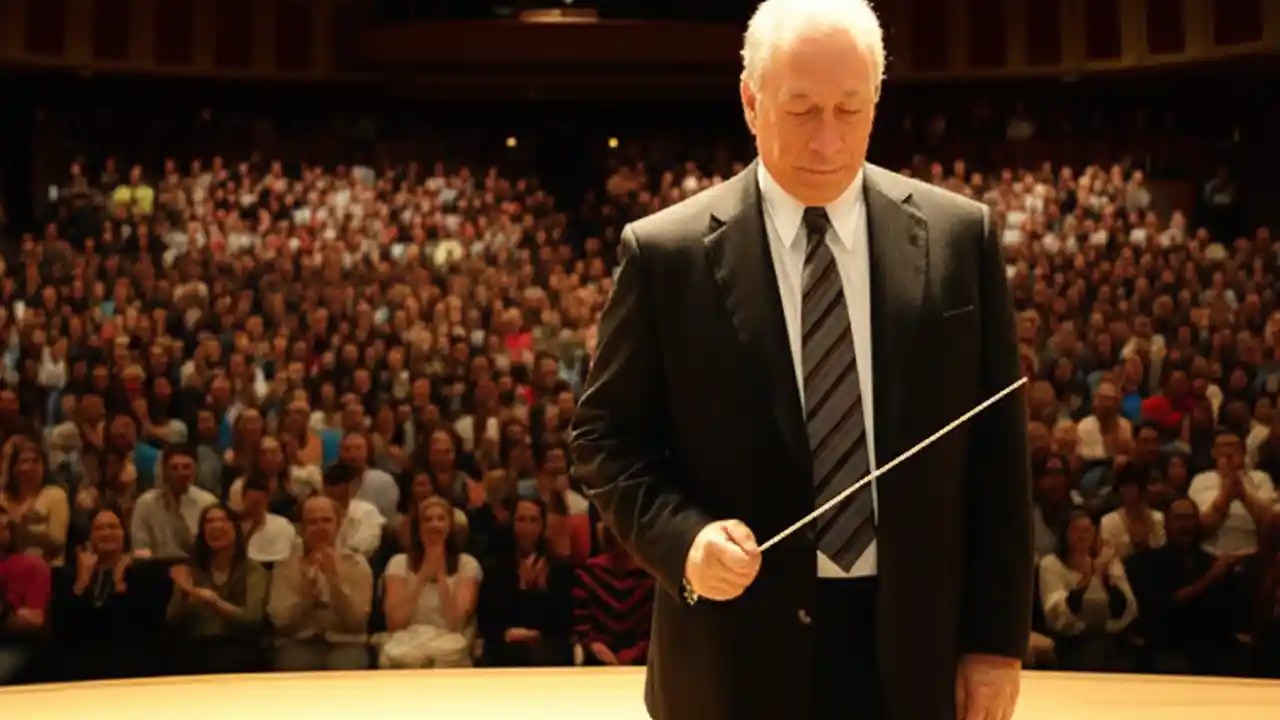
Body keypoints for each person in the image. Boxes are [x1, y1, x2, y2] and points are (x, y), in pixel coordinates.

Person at [570, 1, 1031, 718]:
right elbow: (603, 440)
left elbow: (999, 459)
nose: (827, 141)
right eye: (802, 109)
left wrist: (997, 644)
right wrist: (684, 541)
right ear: (751, 102)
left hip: (916, 652)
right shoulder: (665, 254)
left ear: (877, 96)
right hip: (731, 658)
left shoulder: (959, 238)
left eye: (850, 109)